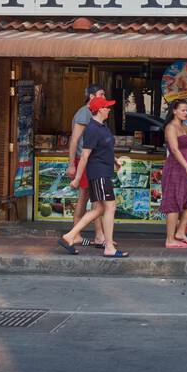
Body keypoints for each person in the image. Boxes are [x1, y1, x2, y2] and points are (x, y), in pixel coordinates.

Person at [60, 97, 128, 257]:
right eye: (106, 107)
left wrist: (115, 160)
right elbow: (84, 156)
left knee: (99, 208)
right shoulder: (92, 129)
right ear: (99, 110)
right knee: (110, 207)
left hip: (104, 172)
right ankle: (109, 247)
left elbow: (104, 148)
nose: (109, 109)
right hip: (98, 174)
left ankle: (70, 236)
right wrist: (77, 178)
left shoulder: (103, 127)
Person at [66, 83, 109, 247]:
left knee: (86, 197)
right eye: (101, 94)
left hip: (88, 160)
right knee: (92, 198)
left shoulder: (91, 112)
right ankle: (95, 235)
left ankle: (79, 233)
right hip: (84, 160)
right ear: (91, 97)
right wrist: (71, 164)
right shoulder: (85, 113)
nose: (103, 97)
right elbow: (74, 139)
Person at [161, 99, 187, 249]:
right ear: (174, 111)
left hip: (185, 167)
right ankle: (170, 239)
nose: (186, 113)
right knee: (173, 203)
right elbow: (174, 149)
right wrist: (186, 167)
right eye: (183, 110)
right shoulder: (171, 127)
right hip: (175, 168)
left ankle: (180, 232)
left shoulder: (183, 126)